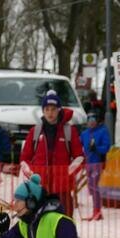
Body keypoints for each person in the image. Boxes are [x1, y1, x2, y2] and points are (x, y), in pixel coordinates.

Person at [19, 90, 84, 218]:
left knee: (64, 223)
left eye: (53, 109)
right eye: (47, 109)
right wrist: (31, 174)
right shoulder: (35, 131)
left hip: (62, 188)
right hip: (40, 187)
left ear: (59, 110)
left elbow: (80, 157)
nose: (50, 113)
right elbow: (24, 158)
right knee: (39, 222)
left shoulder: (69, 130)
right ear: (43, 111)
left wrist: (68, 171)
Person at [79, 111, 111, 221]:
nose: (91, 123)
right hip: (88, 163)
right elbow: (79, 146)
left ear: (97, 121)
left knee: (94, 186)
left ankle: (97, 211)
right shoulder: (85, 133)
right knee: (91, 188)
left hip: (97, 163)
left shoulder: (102, 131)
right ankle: (96, 211)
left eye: (93, 121)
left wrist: (96, 148)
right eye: (89, 121)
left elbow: (106, 147)